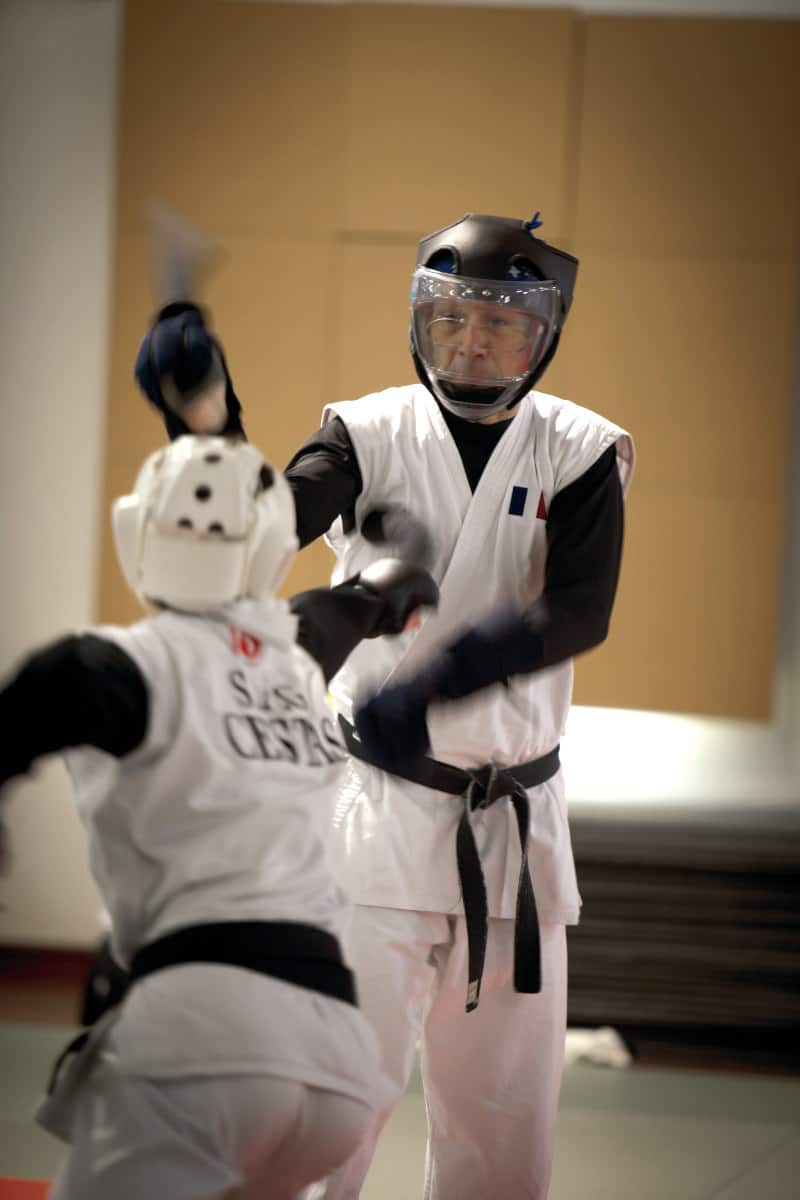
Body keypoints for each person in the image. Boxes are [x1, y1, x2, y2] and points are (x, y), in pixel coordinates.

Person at [134, 211, 635, 1200]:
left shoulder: (578, 449)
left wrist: (439, 680)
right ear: (419, 321)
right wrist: (210, 427)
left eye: (500, 324)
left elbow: (579, 611)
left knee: (503, 1127)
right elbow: (270, 524)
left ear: (544, 335)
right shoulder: (364, 431)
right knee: (325, 1101)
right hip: (375, 814)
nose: (472, 344)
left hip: (513, 827)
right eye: (451, 320)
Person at [0, 434, 437, 1200]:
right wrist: (397, 578)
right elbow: (356, 604)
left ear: (135, 533)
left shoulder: (113, 666)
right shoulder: (294, 660)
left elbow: (27, 716)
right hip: (336, 1059)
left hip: (205, 1036)